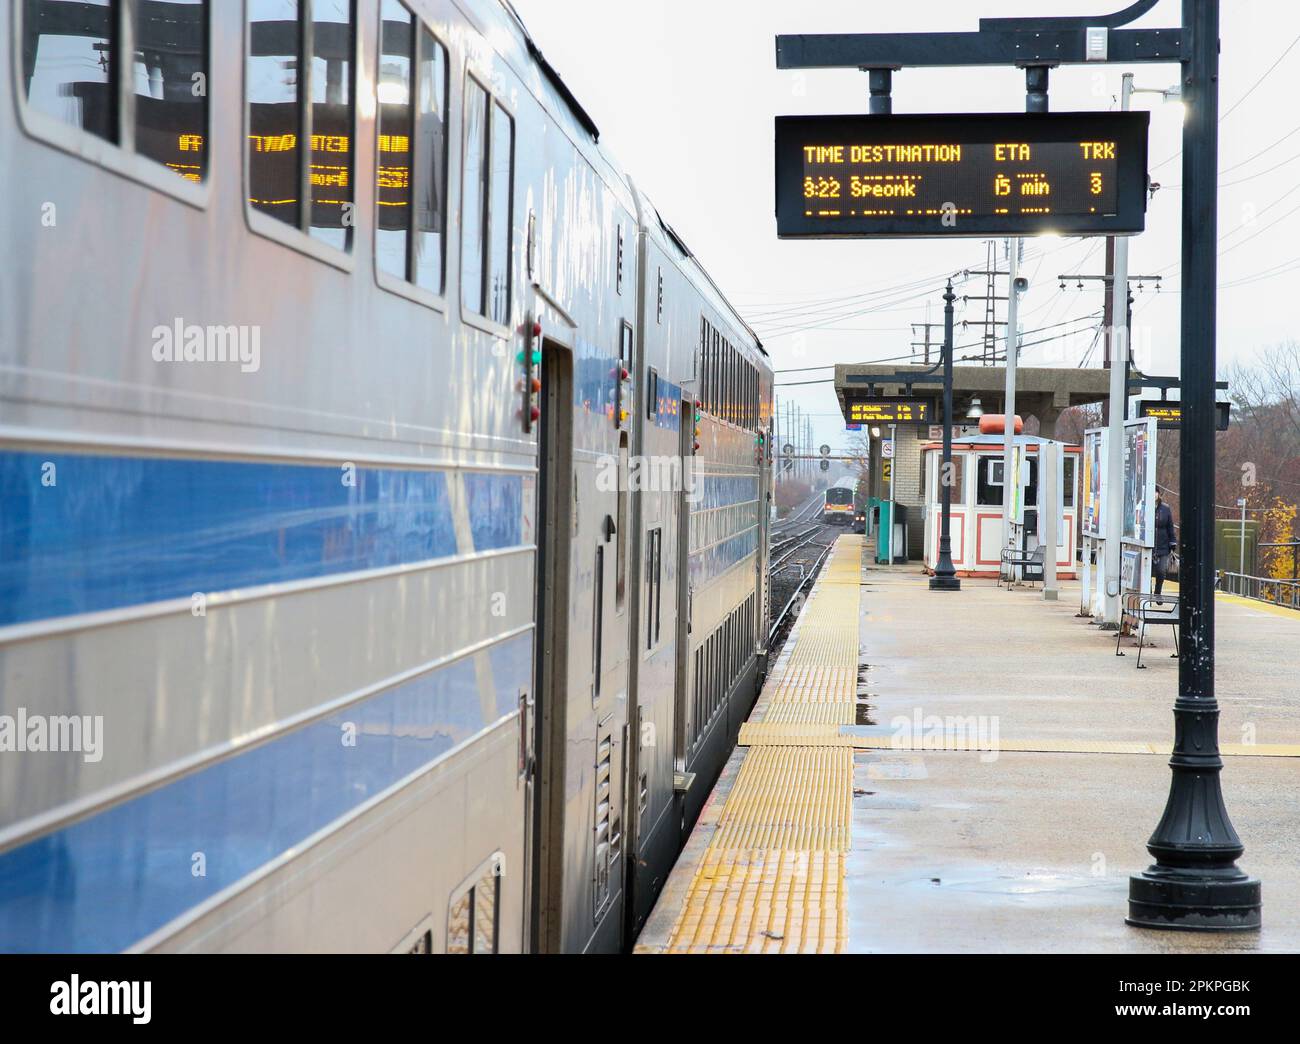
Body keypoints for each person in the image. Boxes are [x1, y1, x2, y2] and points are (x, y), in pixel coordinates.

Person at [1153, 492, 1178, 602]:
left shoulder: (1165, 508)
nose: (1154, 494)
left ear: (1158, 494)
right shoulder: (1144, 505)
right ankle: (1145, 590)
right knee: (1146, 570)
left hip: (1163, 546)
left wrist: (1172, 542)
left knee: (1161, 570)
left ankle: (1158, 592)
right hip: (1148, 545)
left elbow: (1170, 526)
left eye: (1156, 492)